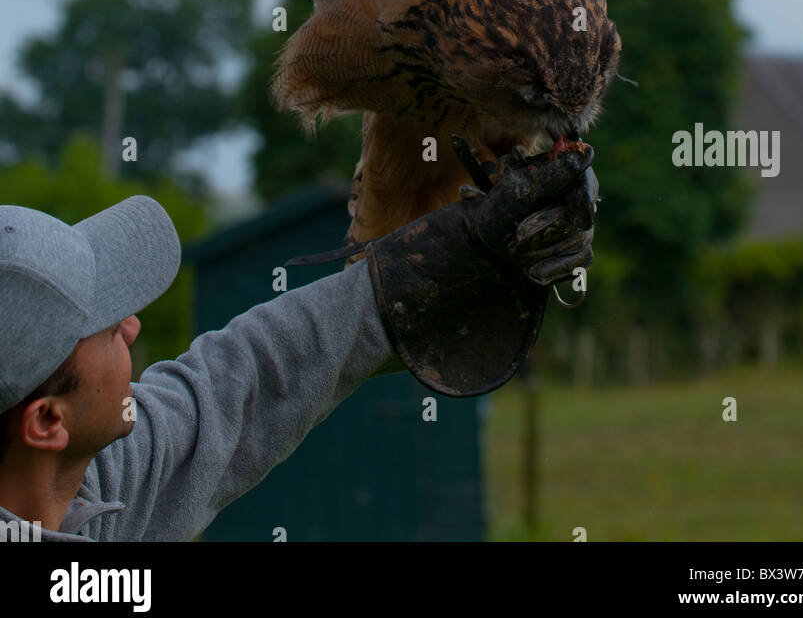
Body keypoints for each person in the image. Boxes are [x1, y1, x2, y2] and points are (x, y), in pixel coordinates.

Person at [0, 144, 597, 542]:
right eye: (107, 328)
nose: (131, 325)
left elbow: (253, 376)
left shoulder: (96, 481)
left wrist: (457, 262)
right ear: (48, 421)